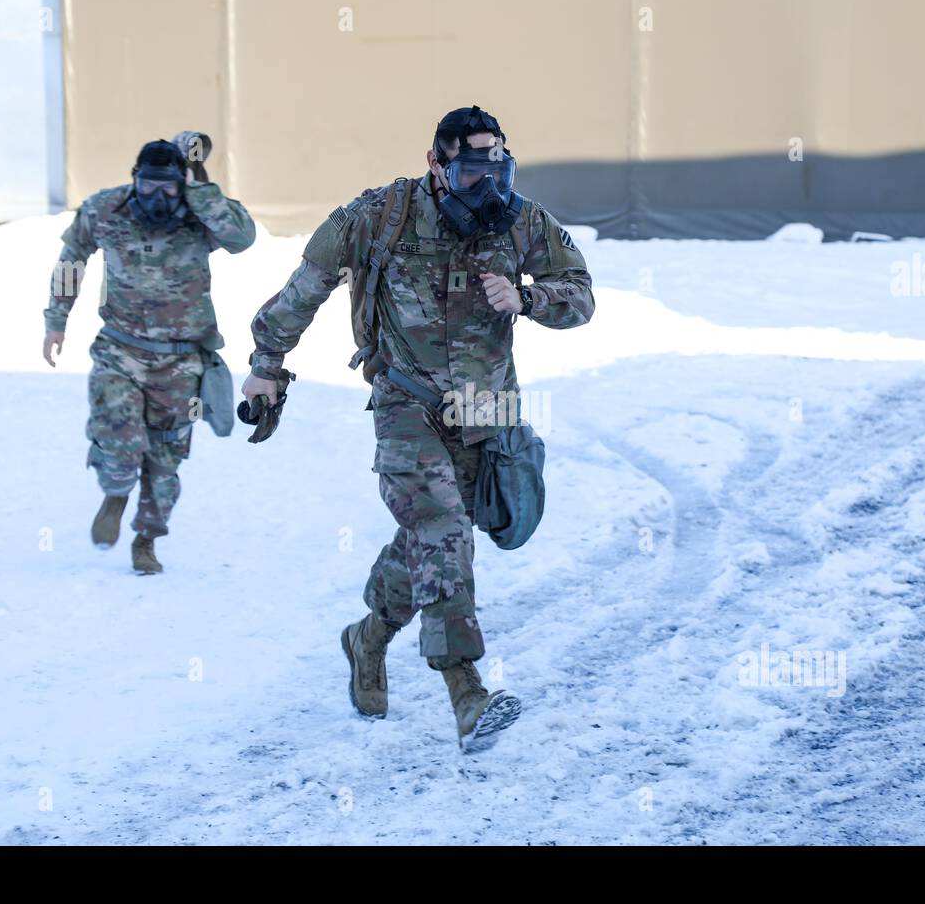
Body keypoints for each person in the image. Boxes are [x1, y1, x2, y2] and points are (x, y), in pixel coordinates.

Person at [242, 106, 594, 747]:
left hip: (486, 408)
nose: (485, 183)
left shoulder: (521, 220)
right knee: (441, 528)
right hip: (407, 401)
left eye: (497, 166)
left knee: (436, 542)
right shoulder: (378, 216)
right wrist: (267, 365)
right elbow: (306, 287)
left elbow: (581, 295)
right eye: (468, 170)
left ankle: (367, 638)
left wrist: (531, 298)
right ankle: (468, 693)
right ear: (434, 163)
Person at [42, 132, 256, 573]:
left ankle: (146, 541)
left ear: (181, 184)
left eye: (168, 186)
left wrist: (196, 185)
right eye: (147, 184)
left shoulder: (200, 215)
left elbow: (242, 237)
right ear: (134, 179)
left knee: (166, 458)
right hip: (120, 349)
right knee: (117, 430)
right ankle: (116, 492)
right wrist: (56, 320)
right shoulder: (107, 209)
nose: (156, 196)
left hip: (181, 359)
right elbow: (71, 258)